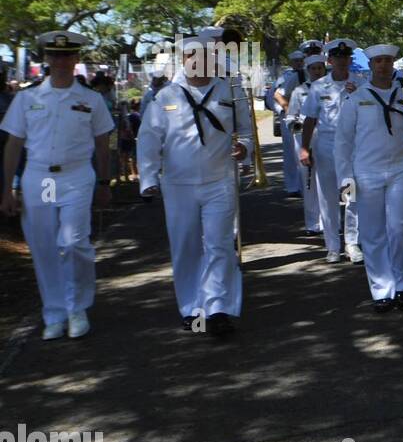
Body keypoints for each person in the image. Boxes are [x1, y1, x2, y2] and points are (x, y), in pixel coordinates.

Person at [137, 26, 252, 337]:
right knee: (186, 247)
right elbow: (148, 140)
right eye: (188, 55)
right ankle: (192, 308)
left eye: (200, 55)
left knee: (219, 245)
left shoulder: (230, 90)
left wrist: (246, 151)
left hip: (219, 181)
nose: (194, 61)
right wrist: (147, 178)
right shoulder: (166, 97)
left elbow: (248, 130)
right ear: (182, 59)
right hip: (179, 185)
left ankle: (218, 309)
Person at [0, 31, 114, 339]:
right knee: (45, 245)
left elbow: (103, 144)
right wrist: (8, 189)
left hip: (76, 176)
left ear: (76, 59)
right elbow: (14, 144)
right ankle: (54, 313)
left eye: (67, 55)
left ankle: (77, 307)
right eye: (55, 55)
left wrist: (105, 181)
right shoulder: (28, 98)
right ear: (46, 59)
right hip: (42, 178)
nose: (61, 61)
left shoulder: (90, 99)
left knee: (74, 242)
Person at [335, 44, 403, 312]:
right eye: (378, 61)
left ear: (393, 64)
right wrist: (346, 182)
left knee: (399, 229)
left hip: (400, 168)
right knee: (372, 233)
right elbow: (343, 143)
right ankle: (382, 290)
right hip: (366, 172)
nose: (383, 65)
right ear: (371, 65)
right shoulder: (356, 99)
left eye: (388, 61)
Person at [300, 38, 365, 264]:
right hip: (326, 144)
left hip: (351, 145)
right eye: (337, 58)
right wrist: (304, 148)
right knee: (327, 197)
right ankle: (332, 246)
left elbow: (368, 115)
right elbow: (310, 119)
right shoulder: (319, 86)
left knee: (351, 194)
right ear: (330, 60)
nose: (342, 62)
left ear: (350, 59)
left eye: (345, 58)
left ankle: (352, 242)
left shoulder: (360, 83)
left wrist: (357, 94)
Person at [287, 53, 328, 235]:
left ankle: (333, 220)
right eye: (314, 68)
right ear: (308, 70)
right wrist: (296, 125)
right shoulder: (299, 91)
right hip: (306, 139)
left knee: (331, 181)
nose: (317, 71)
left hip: (328, 137)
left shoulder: (332, 88)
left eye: (320, 68)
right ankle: (313, 222)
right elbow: (290, 116)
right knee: (309, 182)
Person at [273, 50, 308, 196]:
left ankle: (306, 184)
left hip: (308, 116)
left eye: (301, 60)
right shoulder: (285, 77)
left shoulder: (311, 72)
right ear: (291, 62)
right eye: (296, 61)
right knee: (291, 151)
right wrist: (288, 109)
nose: (299, 63)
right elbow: (277, 95)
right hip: (291, 117)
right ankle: (293, 186)